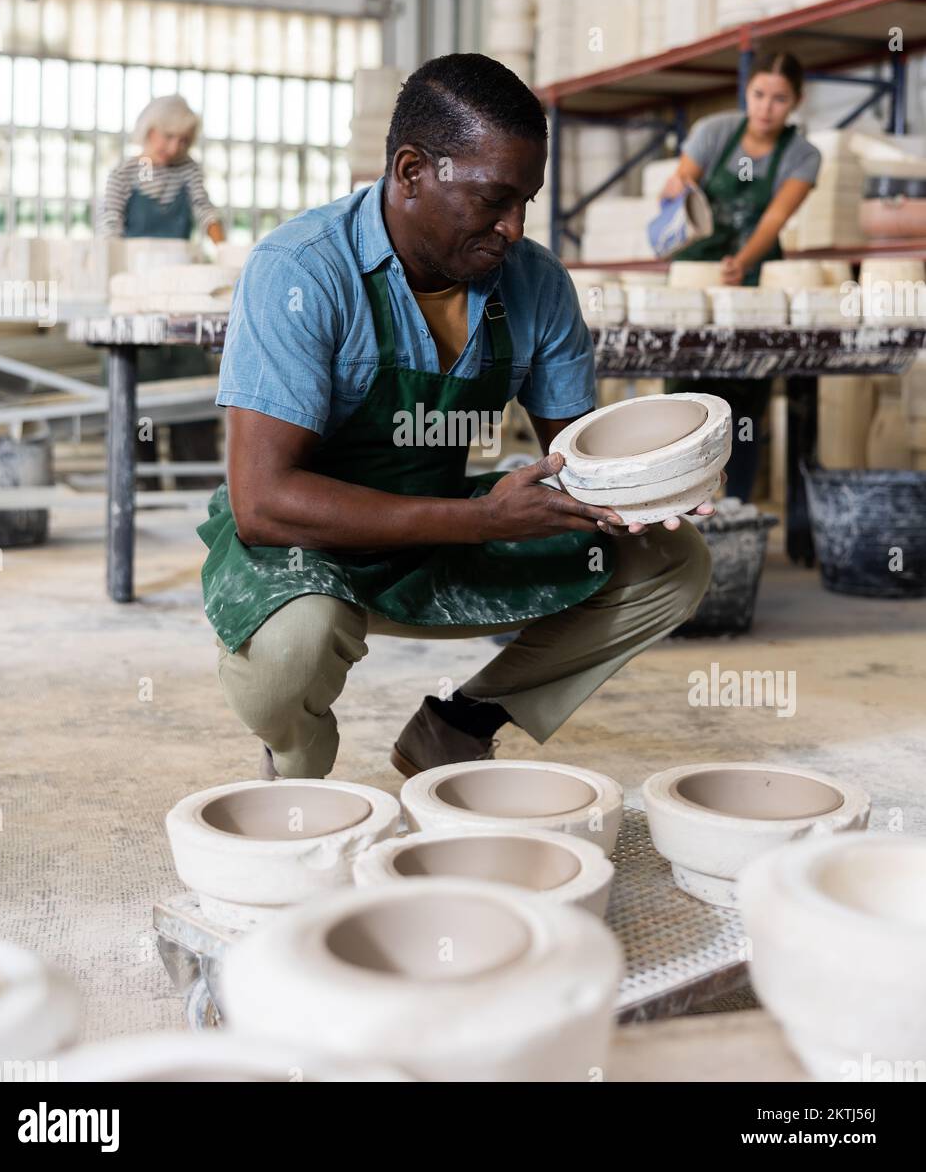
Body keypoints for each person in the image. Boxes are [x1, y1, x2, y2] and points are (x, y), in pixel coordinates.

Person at [198, 54, 713, 782]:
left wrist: (652, 485)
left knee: (672, 560)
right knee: (294, 646)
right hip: (304, 541)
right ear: (412, 171)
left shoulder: (535, 283)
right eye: (493, 200)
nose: (513, 226)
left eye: (526, 201)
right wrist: (481, 522)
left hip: (436, 530)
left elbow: (577, 465)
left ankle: (461, 724)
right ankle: (297, 761)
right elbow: (263, 504)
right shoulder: (301, 270)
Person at [660, 51, 821, 501]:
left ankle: (734, 506)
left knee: (742, 399)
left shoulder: (802, 155)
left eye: (779, 99)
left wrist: (743, 262)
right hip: (696, 279)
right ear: (746, 91)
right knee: (685, 393)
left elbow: (773, 219)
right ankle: (676, 500)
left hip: (751, 286)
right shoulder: (715, 132)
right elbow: (681, 182)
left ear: (796, 102)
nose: (766, 107)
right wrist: (675, 192)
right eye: (759, 94)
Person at [102, 95, 224, 488]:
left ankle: (196, 483)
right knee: (142, 397)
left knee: (191, 394)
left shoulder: (188, 171)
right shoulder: (123, 175)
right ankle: (142, 484)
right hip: (137, 301)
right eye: (168, 139)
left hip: (182, 299)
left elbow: (206, 212)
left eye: (184, 142)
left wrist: (223, 250)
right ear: (150, 131)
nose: (175, 149)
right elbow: (109, 232)